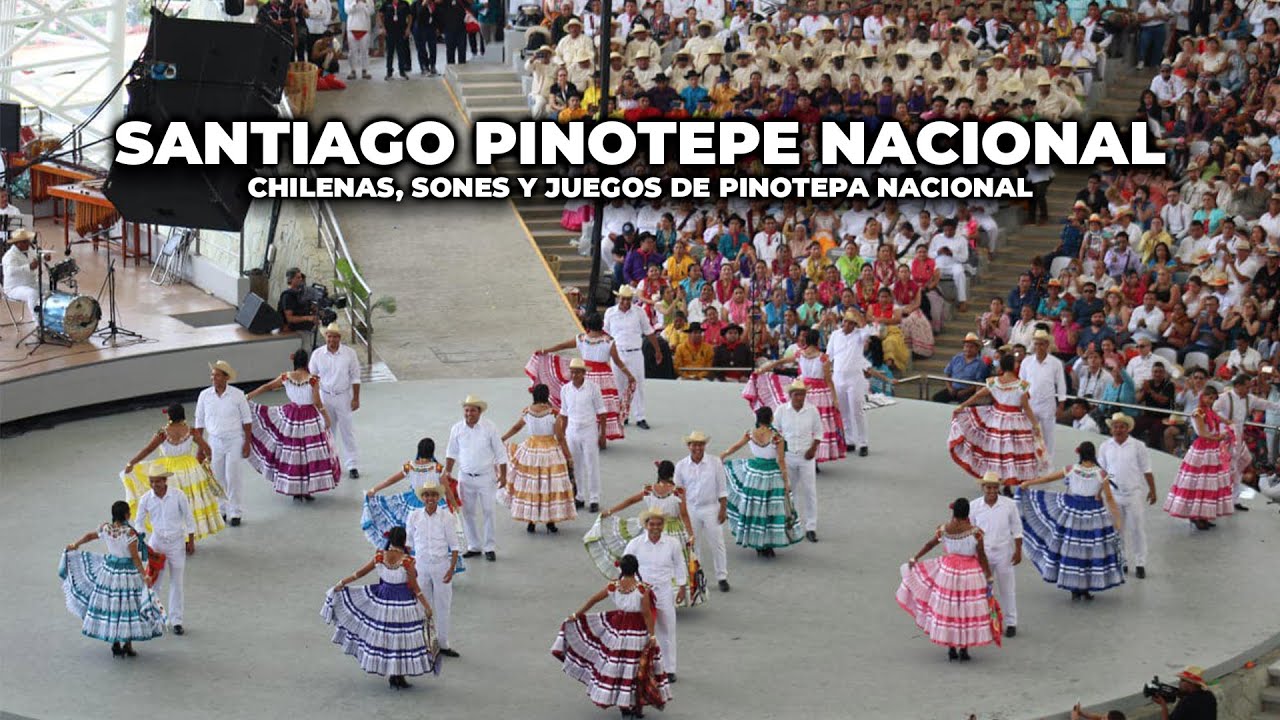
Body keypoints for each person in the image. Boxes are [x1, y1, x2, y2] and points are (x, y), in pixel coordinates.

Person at [552, 554, 672, 716]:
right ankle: (636, 706)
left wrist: (576, 614)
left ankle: (624, 708)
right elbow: (646, 614)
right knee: (637, 668)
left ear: (621, 569)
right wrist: (652, 635)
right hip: (637, 632)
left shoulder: (614, 586)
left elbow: (593, 600)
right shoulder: (643, 589)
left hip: (618, 629)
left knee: (619, 667)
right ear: (636, 569)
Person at [322, 526, 438, 688]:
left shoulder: (379, 556)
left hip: (382, 602)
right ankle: (398, 675)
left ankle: (392, 674)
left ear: (390, 539)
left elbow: (359, 573)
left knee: (386, 637)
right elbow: (415, 588)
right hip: (403, 604)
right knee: (401, 638)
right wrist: (427, 606)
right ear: (404, 540)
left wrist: (342, 583)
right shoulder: (407, 561)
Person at [896, 497, 1001, 661]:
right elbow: (982, 556)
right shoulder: (976, 533)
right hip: (970, 573)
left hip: (948, 572)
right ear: (967, 513)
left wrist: (915, 557)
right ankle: (964, 649)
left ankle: (951, 647)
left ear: (954, 512)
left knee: (950, 607)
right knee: (966, 609)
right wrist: (988, 575)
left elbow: (930, 544)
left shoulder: (944, 529)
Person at [1018, 441, 1125, 600]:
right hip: (1094, 514)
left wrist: (1029, 483)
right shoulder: (1101, 474)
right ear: (1093, 454)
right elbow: (1109, 498)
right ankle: (1085, 588)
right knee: (1090, 550)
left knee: (1072, 548)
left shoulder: (1071, 469)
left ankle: (1074, 587)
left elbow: (1048, 478)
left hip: (1073, 511)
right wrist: (1117, 520)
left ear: (1080, 453)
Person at [589, 461, 706, 607]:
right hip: (674, 530)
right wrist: (691, 534)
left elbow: (630, 500)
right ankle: (675, 595)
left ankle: (647, 593)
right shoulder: (678, 491)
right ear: (672, 474)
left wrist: (610, 511)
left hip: (651, 527)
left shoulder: (649, 490)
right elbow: (684, 514)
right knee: (676, 561)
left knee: (649, 560)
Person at [60, 500, 164, 657]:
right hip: (128, 574)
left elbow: (90, 536)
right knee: (129, 608)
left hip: (110, 572)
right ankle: (127, 644)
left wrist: (76, 544)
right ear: (127, 515)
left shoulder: (106, 528)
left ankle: (115, 642)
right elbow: (135, 558)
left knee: (113, 607)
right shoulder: (129, 533)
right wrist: (145, 576)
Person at [245, 348, 341, 501]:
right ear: (306, 362)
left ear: (294, 361)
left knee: (292, 452)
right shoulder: (313, 380)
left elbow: (267, 386)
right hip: (310, 418)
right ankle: (307, 490)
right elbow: (317, 402)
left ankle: (294, 489)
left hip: (291, 415)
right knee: (308, 453)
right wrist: (326, 417)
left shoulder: (286, 377)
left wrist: (249, 396)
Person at [361, 438, 466, 575]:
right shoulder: (438, 468)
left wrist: (374, 489)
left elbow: (390, 480)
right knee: (438, 535)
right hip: (435, 502)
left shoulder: (409, 466)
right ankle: (437, 567)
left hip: (413, 503)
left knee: (411, 536)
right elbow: (447, 490)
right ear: (432, 451)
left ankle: (412, 568)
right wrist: (455, 506)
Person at [122, 404, 224, 540]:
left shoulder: (162, 433)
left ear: (169, 416)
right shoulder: (191, 431)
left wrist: (131, 463)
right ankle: (191, 538)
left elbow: (147, 450)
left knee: (173, 505)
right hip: (191, 470)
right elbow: (207, 449)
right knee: (191, 503)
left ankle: (179, 537)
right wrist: (207, 460)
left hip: (170, 471)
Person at [747, 328, 847, 462]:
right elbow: (828, 380)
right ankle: (815, 456)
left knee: (800, 422)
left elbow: (779, 362)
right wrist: (835, 399)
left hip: (801, 390)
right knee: (819, 424)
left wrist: (762, 370)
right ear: (818, 340)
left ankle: (800, 452)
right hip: (820, 393)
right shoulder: (823, 358)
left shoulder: (800, 354)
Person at [949, 353, 1047, 488]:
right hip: (1016, 422)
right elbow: (1026, 407)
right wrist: (1035, 424)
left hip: (996, 419)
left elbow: (978, 395)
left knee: (995, 453)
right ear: (1014, 366)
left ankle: (993, 482)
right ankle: (1008, 485)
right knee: (1012, 454)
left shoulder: (994, 382)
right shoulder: (1022, 385)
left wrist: (963, 405)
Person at [533, 313, 635, 441]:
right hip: (604, 377)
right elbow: (617, 362)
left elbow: (562, 346)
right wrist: (629, 375)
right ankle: (600, 436)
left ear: (588, 326)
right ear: (601, 325)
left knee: (582, 405)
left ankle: (582, 434)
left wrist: (546, 350)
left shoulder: (581, 339)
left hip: (584, 374)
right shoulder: (609, 341)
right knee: (602, 407)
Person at [720, 404, 801, 556]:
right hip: (772, 475)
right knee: (770, 509)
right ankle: (768, 544)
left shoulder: (751, 433)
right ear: (771, 418)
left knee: (755, 508)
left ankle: (757, 543)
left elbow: (736, 446)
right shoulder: (776, 437)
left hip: (754, 474)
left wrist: (723, 455)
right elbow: (781, 461)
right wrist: (786, 481)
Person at [500, 383, 576, 533]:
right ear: (547, 395)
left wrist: (502, 438)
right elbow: (560, 438)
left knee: (532, 485)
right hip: (550, 452)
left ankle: (531, 521)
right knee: (550, 485)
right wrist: (569, 456)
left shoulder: (527, 412)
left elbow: (516, 427)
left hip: (531, 451)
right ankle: (550, 522)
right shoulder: (553, 413)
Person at [624, 509, 688, 683]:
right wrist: (627, 589)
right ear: (646, 525)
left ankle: (669, 669)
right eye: (652, 524)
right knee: (640, 629)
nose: (655, 527)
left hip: (664, 590)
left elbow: (679, 564)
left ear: (663, 525)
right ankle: (641, 667)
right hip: (641, 593)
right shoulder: (635, 544)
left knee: (667, 628)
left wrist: (682, 586)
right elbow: (625, 567)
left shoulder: (672, 544)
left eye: (659, 524)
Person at [133, 461, 197, 634]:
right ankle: (153, 618)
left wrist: (191, 540)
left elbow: (189, 517)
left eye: (157, 481)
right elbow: (138, 522)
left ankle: (176, 621)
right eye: (152, 481)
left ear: (164, 480)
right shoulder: (146, 499)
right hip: (157, 544)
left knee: (177, 582)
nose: (155, 485)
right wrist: (142, 539)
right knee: (154, 582)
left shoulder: (178, 496)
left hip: (177, 543)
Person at [444, 394, 508, 561]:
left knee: (489, 511)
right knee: (468, 512)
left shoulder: (490, 428)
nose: (469, 414)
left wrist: (503, 475)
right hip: (465, 478)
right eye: (466, 410)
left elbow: (500, 452)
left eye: (472, 410)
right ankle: (474, 546)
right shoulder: (457, 429)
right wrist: (447, 472)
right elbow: (451, 452)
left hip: (486, 477)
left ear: (480, 412)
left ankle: (489, 547)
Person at [1165, 386, 1236, 530]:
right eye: (1209, 397)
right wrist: (1220, 437)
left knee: (1209, 483)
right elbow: (1203, 434)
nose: (1211, 401)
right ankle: (1195, 515)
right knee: (1198, 482)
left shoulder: (1210, 411)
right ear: (1203, 396)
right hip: (1203, 450)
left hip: (1213, 450)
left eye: (1213, 398)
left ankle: (1203, 515)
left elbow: (1224, 421)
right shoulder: (1198, 413)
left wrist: (1231, 426)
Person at [1097, 412, 1157, 579]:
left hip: (1133, 494)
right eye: (1115, 427)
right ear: (1111, 429)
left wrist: (1152, 490)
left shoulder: (1138, 446)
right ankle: (1121, 560)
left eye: (1122, 427)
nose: (1118, 429)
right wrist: (1098, 492)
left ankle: (1140, 563)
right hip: (1113, 495)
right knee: (1117, 530)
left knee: (1137, 529)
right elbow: (1101, 472)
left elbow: (1146, 469)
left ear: (1128, 428)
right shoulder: (1105, 446)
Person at [404, 483, 460, 659]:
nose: (430, 498)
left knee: (443, 605)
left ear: (438, 497)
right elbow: (409, 543)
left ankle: (443, 644)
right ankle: (424, 642)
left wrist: (451, 569)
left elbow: (454, 546)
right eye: (427, 495)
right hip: (421, 566)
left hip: (441, 566)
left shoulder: (446, 517)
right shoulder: (414, 516)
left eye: (433, 495)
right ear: (422, 498)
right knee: (422, 605)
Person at [194, 360, 252, 527]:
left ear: (226, 377)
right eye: (212, 375)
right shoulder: (204, 395)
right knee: (217, 476)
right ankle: (221, 509)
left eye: (217, 375)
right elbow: (199, 421)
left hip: (234, 439)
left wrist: (247, 443)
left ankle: (235, 511)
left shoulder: (238, 395)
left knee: (233, 476)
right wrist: (200, 447)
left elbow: (247, 420)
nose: (214, 378)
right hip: (214, 441)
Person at [673, 431, 730, 593]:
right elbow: (678, 492)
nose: (697, 448)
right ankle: (696, 577)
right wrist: (680, 513)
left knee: (717, 543)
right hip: (691, 508)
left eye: (700, 444)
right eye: (694, 445)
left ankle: (722, 577)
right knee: (693, 544)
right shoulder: (681, 466)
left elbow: (722, 487)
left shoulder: (715, 462)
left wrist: (723, 509)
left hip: (711, 507)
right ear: (689, 446)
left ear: (705, 446)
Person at [970, 472, 1022, 638]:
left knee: (1007, 588)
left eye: (994, 487)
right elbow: (970, 532)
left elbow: (1017, 528)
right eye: (988, 487)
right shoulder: (974, 506)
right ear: (982, 488)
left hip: (1004, 552)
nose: (992, 491)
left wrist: (1018, 550)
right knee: (983, 589)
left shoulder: (1009, 505)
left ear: (998, 487)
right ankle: (985, 621)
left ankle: (1011, 622)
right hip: (983, 553)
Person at [605, 286, 663, 430]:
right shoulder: (610, 313)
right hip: (618, 352)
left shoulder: (639, 312)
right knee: (619, 385)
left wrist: (657, 350)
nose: (626, 302)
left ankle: (640, 417)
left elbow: (649, 331)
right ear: (618, 298)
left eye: (628, 299)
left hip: (635, 352)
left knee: (638, 385)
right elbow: (606, 335)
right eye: (623, 299)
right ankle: (622, 415)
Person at [309, 323, 362, 480]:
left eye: (334, 336)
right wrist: (315, 400)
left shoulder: (349, 354)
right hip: (325, 396)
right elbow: (313, 378)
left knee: (347, 431)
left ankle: (352, 465)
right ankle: (329, 463)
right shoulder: (317, 354)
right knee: (327, 431)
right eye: (329, 336)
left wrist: (356, 398)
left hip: (343, 396)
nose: (331, 339)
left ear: (339, 338)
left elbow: (355, 377)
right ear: (325, 337)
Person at [773, 380, 822, 541]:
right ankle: (790, 523)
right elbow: (774, 431)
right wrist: (779, 453)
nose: (800, 397)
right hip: (788, 456)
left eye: (802, 394)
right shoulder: (781, 410)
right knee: (789, 491)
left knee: (810, 491)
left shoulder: (812, 410)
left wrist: (813, 449)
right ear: (790, 395)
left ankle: (811, 527)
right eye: (796, 394)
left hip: (806, 456)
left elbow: (818, 432)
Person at [559, 358, 607, 512]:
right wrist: (562, 435)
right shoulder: (565, 389)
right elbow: (564, 414)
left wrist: (602, 434)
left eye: (577, 373)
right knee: (576, 464)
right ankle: (579, 496)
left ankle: (594, 498)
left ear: (583, 373)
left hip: (589, 430)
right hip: (572, 430)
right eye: (572, 372)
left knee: (592, 464)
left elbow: (601, 412)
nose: (574, 375)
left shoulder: (593, 388)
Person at [827, 308, 875, 455]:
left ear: (855, 324)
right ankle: (849, 440)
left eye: (851, 323)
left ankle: (863, 443)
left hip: (854, 378)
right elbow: (829, 355)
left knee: (857, 410)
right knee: (843, 411)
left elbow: (868, 330)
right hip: (838, 377)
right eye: (845, 322)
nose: (847, 325)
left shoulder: (859, 335)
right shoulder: (835, 335)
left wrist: (858, 315)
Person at [1019, 329, 1068, 464]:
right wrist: (1021, 402)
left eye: (1041, 344)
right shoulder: (1026, 362)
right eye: (1036, 344)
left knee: (1048, 436)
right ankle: (1028, 461)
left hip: (1048, 404)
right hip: (1030, 404)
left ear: (1047, 345)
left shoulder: (1056, 363)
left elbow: (1061, 385)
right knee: (1028, 434)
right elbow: (1021, 384)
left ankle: (1048, 463)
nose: (1039, 347)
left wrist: (1061, 405)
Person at [932, 332, 992, 403]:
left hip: (968, 392)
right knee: (936, 398)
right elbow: (947, 374)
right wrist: (950, 388)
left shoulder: (980, 364)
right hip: (953, 389)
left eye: (971, 347)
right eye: (966, 346)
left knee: (964, 404)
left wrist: (965, 391)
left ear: (977, 349)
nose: (968, 349)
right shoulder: (957, 358)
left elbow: (978, 383)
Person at [2, 229, 48, 314]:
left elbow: (37, 256)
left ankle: (49, 315)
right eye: (25, 242)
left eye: (28, 241)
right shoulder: (9, 256)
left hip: (30, 283)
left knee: (49, 289)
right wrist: (29, 267)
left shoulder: (28, 250)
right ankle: (37, 319)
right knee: (32, 294)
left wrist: (44, 257)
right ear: (17, 243)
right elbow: (11, 272)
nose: (28, 244)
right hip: (14, 287)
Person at [1153, 666, 1218, 720]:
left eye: (1182, 680)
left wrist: (1163, 704)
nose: (1179, 683)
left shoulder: (1187, 701)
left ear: (1191, 684)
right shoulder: (1209, 696)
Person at [277, 267, 318, 333]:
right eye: (298, 278)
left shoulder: (300, 292)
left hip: (306, 328)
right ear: (291, 279)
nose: (301, 279)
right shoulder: (288, 296)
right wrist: (308, 318)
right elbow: (290, 319)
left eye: (300, 277)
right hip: (294, 331)